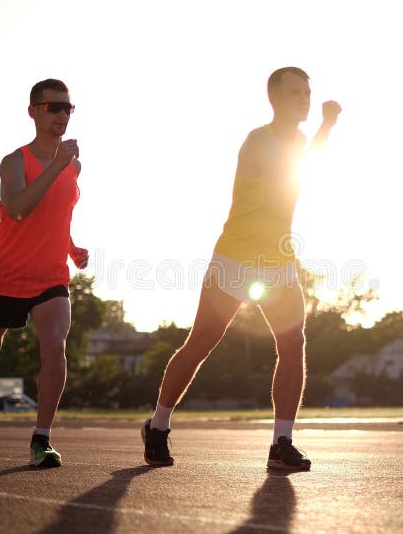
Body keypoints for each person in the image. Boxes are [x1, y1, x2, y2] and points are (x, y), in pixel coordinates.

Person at [142, 67, 341, 470]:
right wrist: (326, 126)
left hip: (278, 260)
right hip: (235, 258)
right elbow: (292, 171)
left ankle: (281, 442)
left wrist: (324, 127)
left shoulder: (297, 141)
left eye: (307, 92)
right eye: (296, 93)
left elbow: (303, 163)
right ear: (274, 99)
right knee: (201, 343)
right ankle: (158, 425)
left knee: (293, 343)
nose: (304, 99)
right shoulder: (260, 140)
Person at [0, 78, 88, 467]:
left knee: (55, 347)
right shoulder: (14, 162)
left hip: (51, 278)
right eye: (53, 107)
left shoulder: (73, 167)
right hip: (7, 276)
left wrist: (72, 247)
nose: (62, 114)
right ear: (33, 112)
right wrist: (57, 165)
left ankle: (42, 440)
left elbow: (56, 215)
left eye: (68, 108)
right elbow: (19, 209)